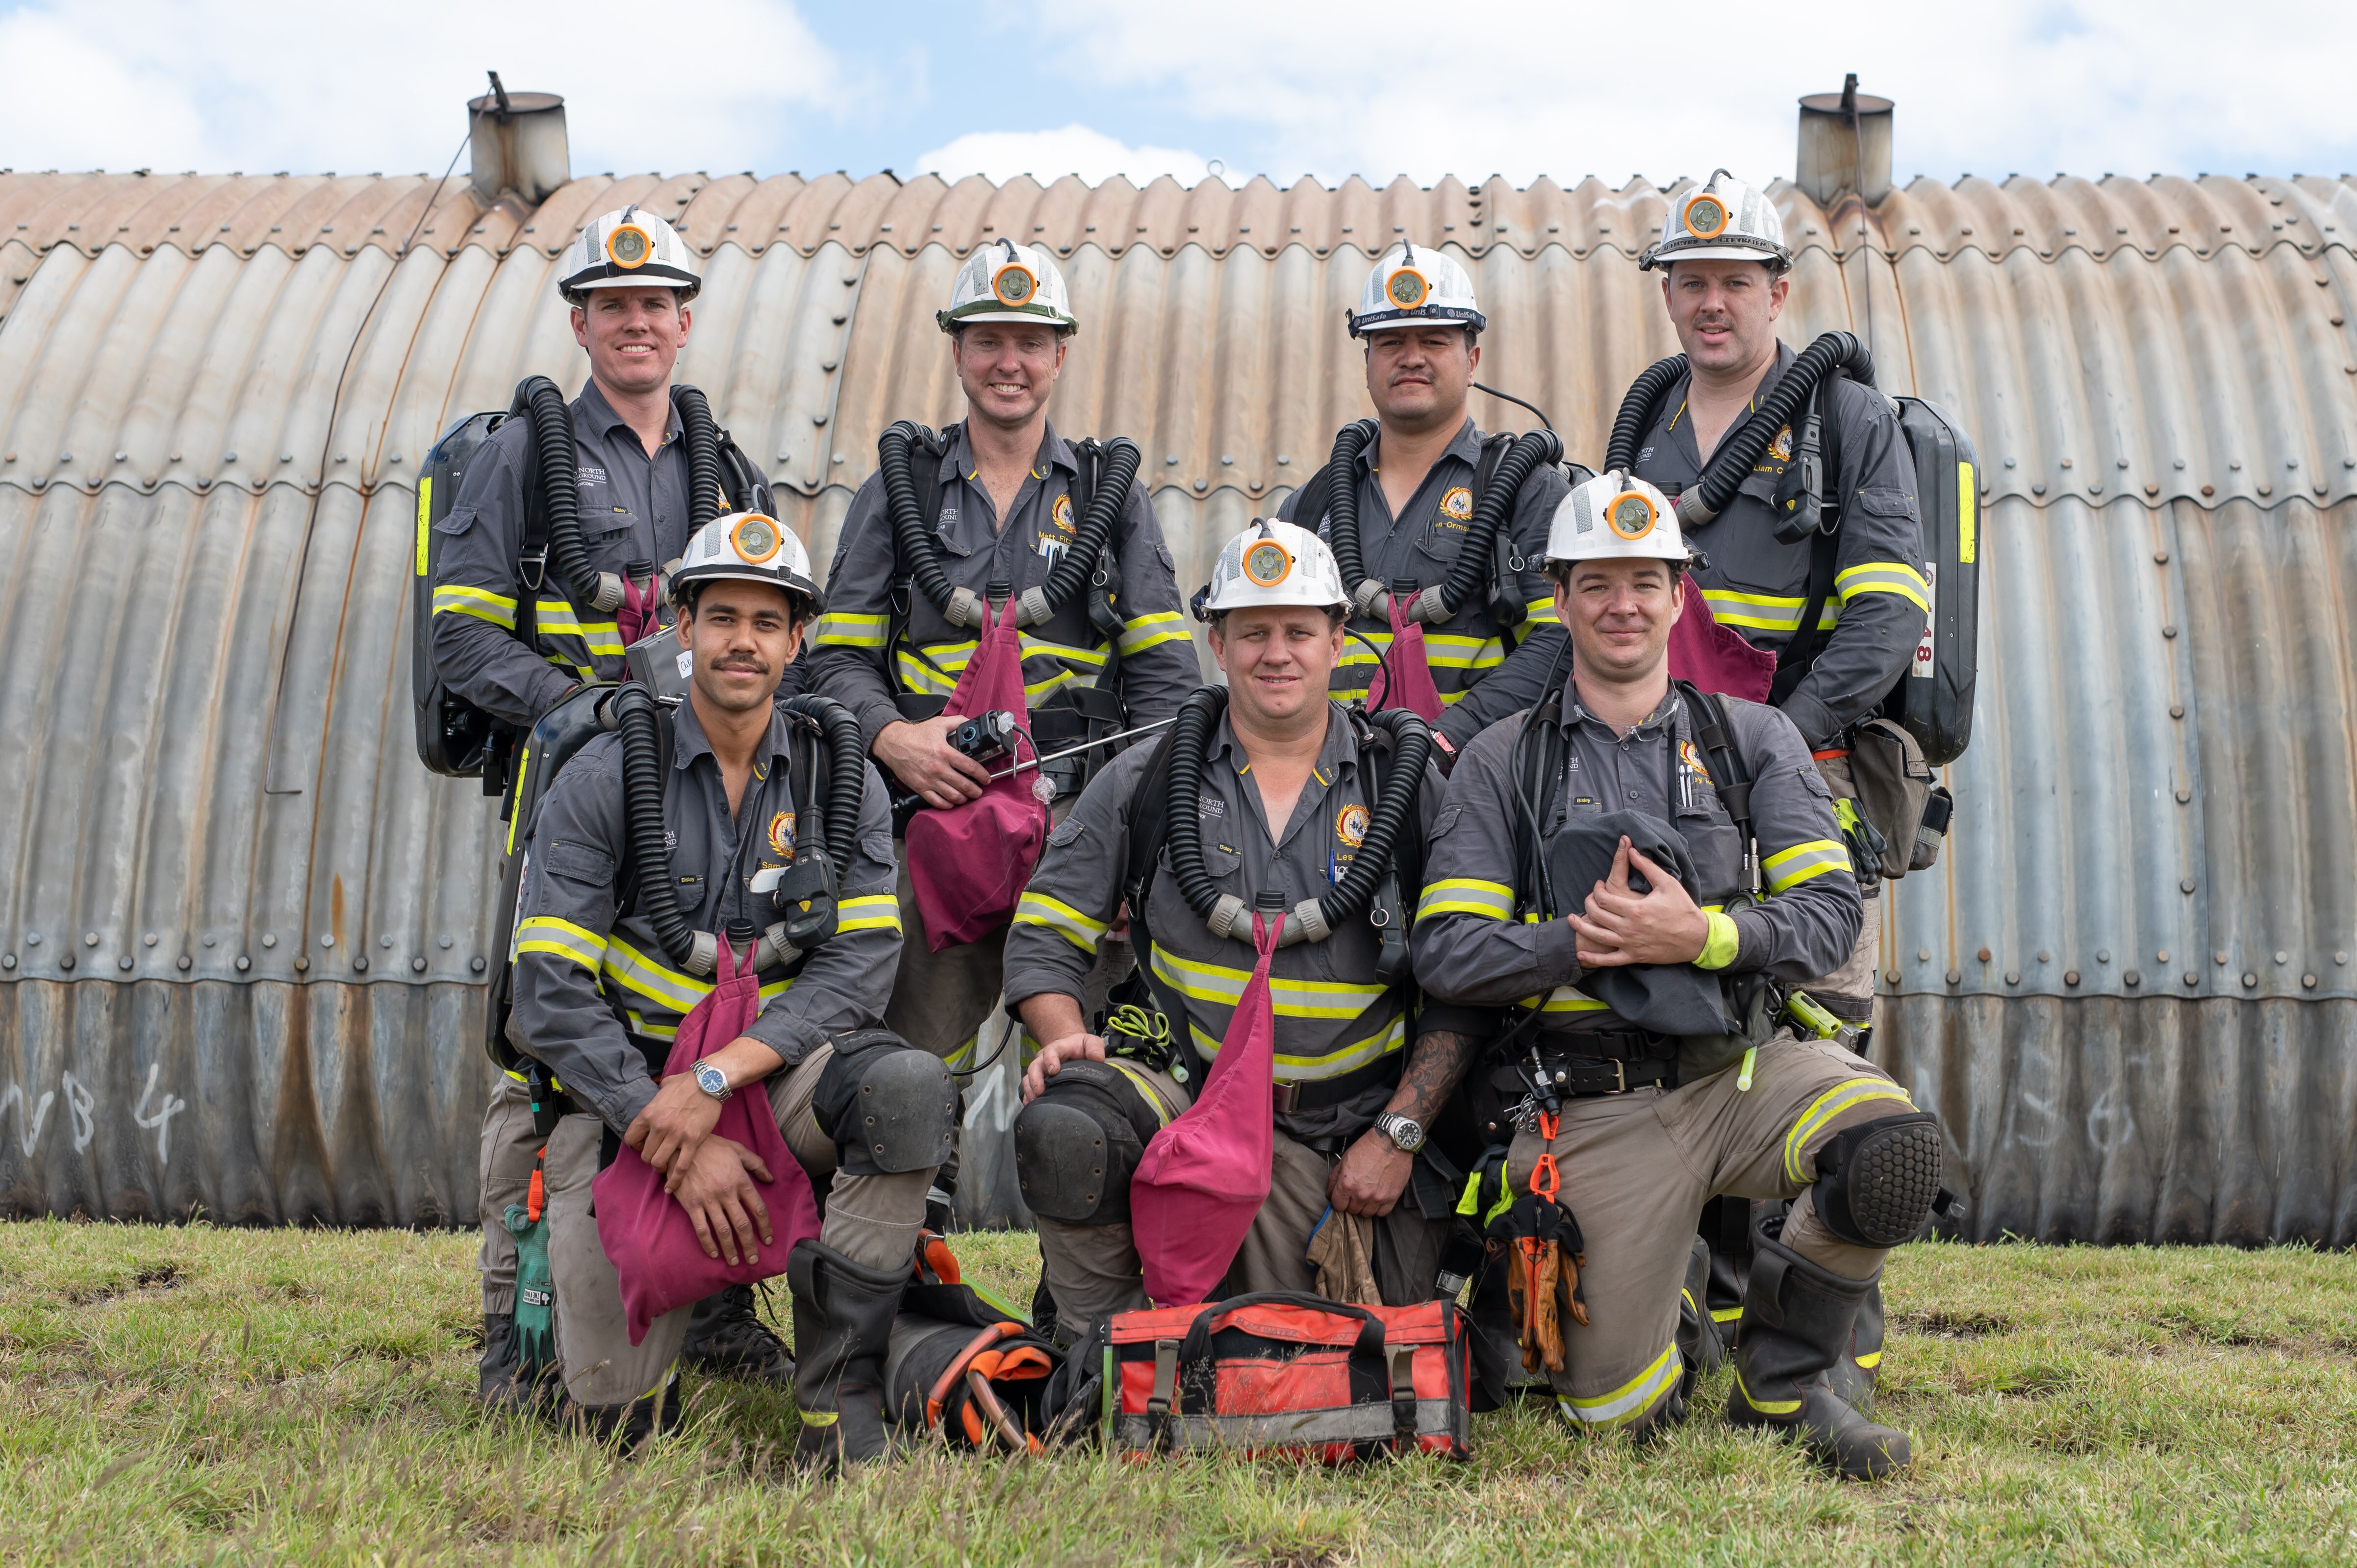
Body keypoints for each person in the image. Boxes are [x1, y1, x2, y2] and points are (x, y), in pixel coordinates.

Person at [1412, 471, 1943, 1478]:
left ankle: (1781, 1387)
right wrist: (1586, 943)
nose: (1624, 604)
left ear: (1679, 594)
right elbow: (1448, 953)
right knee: (1617, 1416)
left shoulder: (1753, 739)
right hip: (1592, 1103)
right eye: (1598, 583)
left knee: (1893, 1152)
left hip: (1738, 1074)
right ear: (1560, 599)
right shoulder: (1496, 762)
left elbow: (1829, 915)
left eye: (1646, 581)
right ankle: (1676, 1306)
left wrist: (1697, 936)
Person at [504, 513, 953, 1466]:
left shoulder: (844, 780)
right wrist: (660, 1121)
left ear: (798, 641)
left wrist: (715, 1084)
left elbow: (861, 968)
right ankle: (605, 1352)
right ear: (684, 629)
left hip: (766, 1079)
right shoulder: (601, 777)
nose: (742, 640)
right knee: (620, 1427)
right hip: (633, 1092)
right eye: (721, 617)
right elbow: (546, 993)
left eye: (766, 620)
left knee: (905, 1089)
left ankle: (839, 1400)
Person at [434, 208, 793, 1399]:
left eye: (657, 304)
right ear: (580, 321)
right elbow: (464, 638)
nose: (637, 322)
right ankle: (511, 1319)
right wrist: (591, 710)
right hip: (570, 793)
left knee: (709, 1016)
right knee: (539, 1041)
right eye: (612, 303)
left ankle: (721, 1304)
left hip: (708, 796)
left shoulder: (723, 467)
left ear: (685, 321)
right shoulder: (518, 456)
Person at [1001, 519, 1484, 1344]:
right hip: (1193, 1103)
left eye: (1299, 631)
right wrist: (1063, 1035)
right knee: (1070, 1122)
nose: (1276, 653)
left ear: (1338, 641)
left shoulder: (1409, 785)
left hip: (1351, 1139)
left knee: (1346, 1337)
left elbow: (1464, 983)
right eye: (1252, 632)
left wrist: (1398, 1132)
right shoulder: (1149, 776)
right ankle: (1096, 1352)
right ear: (1216, 643)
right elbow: (1043, 932)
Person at [1627, 169, 1931, 1381]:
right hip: (1665, 788)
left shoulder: (1847, 421)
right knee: (1684, 1040)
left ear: (1777, 291)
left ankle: (1817, 1333)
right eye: (1688, 282)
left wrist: (1769, 749)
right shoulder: (1644, 423)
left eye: (1731, 283)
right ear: (1667, 293)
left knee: (1817, 1032)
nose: (1710, 305)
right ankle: (1687, 1319)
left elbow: (1879, 619)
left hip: (1802, 769)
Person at [803, 241, 1198, 1072]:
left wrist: (1138, 844)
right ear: (956, 349)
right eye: (987, 340)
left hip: (1077, 825)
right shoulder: (897, 487)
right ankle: (916, 1204)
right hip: (923, 824)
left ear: (1060, 353)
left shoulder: (1108, 494)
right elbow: (830, 664)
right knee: (896, 1066)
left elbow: (1168, 692)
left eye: (1029, 341)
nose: (1007, 362)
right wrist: (892, 739)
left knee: (1088, 1080)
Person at [1276, 242, 1575, 768]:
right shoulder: (1314, 503)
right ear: (1366, 360)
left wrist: (1443, 739)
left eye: (1434, 340)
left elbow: (1564, 641)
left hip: (1480, 781)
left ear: (1472, 360)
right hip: (1334, 780)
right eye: (1390, 341)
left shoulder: (1526, 489)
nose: (1411, 357)